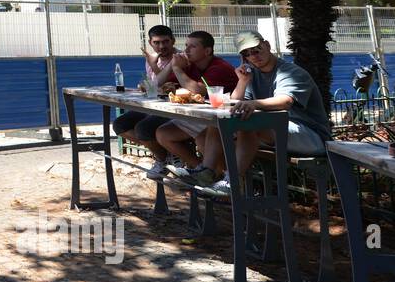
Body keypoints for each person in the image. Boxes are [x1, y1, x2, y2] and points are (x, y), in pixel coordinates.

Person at [221, 30, 331, 192]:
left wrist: (254, 104)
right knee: (218, 131)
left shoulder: (290, 72)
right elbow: (234, 104)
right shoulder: (252, 75)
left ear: (267, 45)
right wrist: (242, 82)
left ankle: (231, 183)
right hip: (277, 132)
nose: (254, 56)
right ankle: (210, 175)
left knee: (248, 127)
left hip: (312, 136)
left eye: (257, 49)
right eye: (248, 54)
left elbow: (285, 101)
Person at [156, 31, 240, 187]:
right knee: (163, 133)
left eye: (192, 46)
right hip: (202, 116)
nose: (186, 50)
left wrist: (178, 69)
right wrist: (172, 66)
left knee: (203, 139)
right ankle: (200, 173)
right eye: (186, 46)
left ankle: (221, 180)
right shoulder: (190, 65)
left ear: (207, 51)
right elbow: (157, 85)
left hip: (225, 119)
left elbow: (198, 90)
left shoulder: (220, 67)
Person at [115, 24, 179, 180]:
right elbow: (155, 85)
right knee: (119, 125)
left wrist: (153, 70)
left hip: (174, 108)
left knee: (143, 129)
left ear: (173, 41)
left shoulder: (180, 57)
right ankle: (164, 155)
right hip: (154, 105)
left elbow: (169, 85)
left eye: (165, 42)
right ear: (150, 43)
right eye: (157, 42)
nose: (161, 46)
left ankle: (168, 156)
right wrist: (145, 85)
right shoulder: (152, 58)